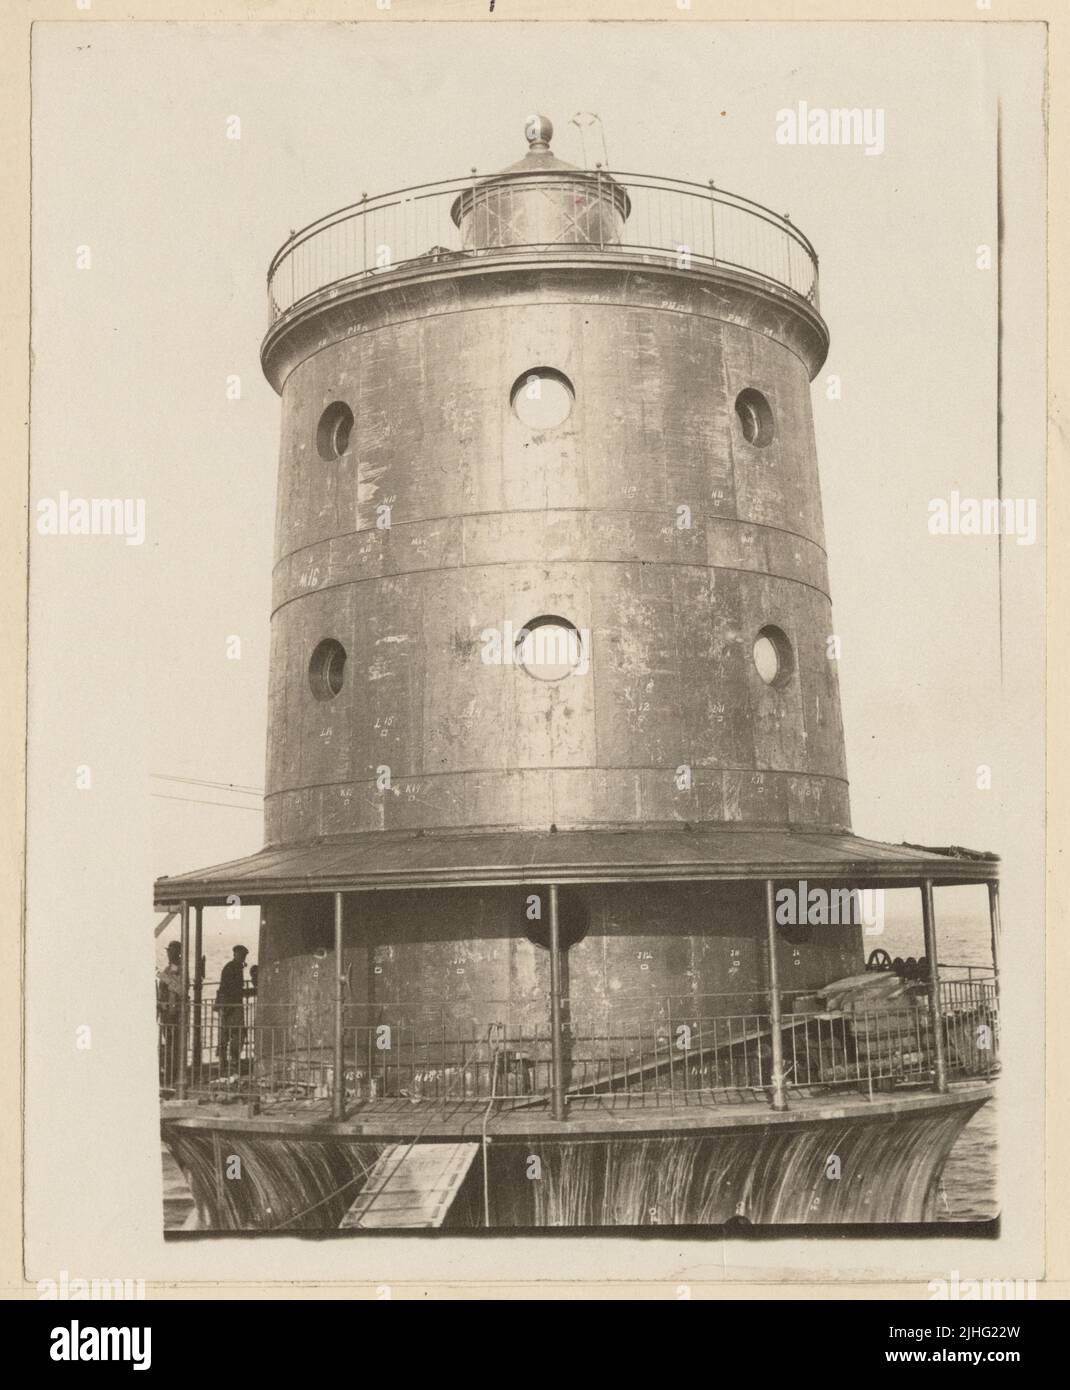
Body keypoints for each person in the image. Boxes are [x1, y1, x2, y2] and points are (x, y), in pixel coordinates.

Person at [216, 945, 250, 1076]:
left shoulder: (232, 967)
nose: (243, 958)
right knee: (237, 1034)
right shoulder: (233, 968)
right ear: (237, 955)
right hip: (231, 1005)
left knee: (227, 1034)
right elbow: (231, 988)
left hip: (229, 1005)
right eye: (242, 956)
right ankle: (232, 1062)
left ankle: (224, 1063)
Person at [156, 941, 184, 1085]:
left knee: (173, 1044)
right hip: (167, 1011)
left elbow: (179, 988)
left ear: (177, 952)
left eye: (171, 951)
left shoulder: (177, 968)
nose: (168, 953)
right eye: (168, 950)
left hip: (172, 1012)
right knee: (170, 1043)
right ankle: (170, 1072)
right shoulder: (170, 968)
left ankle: (172, 1074)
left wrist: (161, 976)